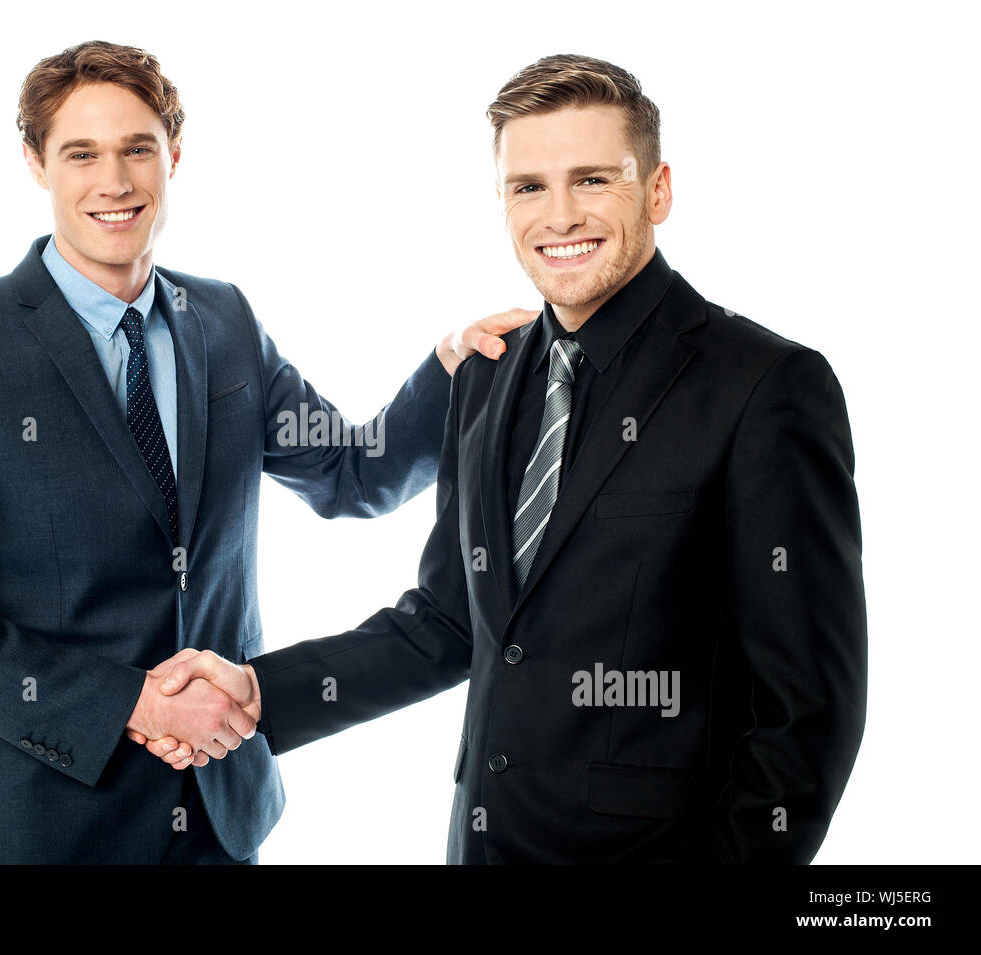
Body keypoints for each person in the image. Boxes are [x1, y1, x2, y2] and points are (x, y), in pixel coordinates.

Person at [140, 53, 868, 864]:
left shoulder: (765, 386)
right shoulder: (485, 374)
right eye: (528, 187)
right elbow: (449, 625)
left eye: (592, 179)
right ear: (502, 202)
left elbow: (809, 710)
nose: (559, 215)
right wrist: (259, 693)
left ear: (657, 190)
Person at [0, 40, 533, 865]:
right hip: (50, 823)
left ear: (173, 155)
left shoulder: (222, 322)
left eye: (137, 148)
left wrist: (448, 371)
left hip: (218, 811)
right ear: (36, 164)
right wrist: (132, 704)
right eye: (82, 154)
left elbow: (353, 472)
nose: (114, 181)